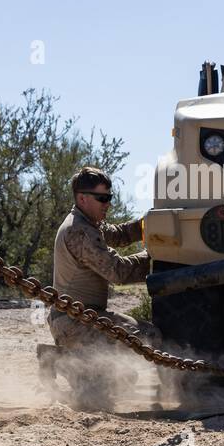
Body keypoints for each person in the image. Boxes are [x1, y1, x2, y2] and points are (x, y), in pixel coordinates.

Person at [48, 167, 158, 406]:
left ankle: (70, 363)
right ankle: (64, 363)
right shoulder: (79, 231)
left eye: (110, 198)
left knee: (124, 373)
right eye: (103, 198)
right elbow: (117, 271)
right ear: (82, 198)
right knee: (147, 338)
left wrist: (148, 225)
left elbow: (117, 234)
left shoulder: (88, 224)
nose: (107, 204)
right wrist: (156, 257)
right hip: (75, 322)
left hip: (83, 318)